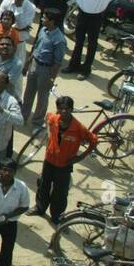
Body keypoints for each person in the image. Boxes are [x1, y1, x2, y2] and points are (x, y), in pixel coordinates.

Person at [34, 96, 98, 224]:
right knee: (43, 185)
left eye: (67, 109)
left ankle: (57, 217)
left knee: (60, 193)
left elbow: (94, 140)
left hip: (64, 165)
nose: (63, 112)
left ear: (71, 109)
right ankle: (40, 208)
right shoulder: (52, 119)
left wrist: (80, 157)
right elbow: (48, 119)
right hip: (49, 161)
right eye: (61, 109)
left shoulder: (78, 128)